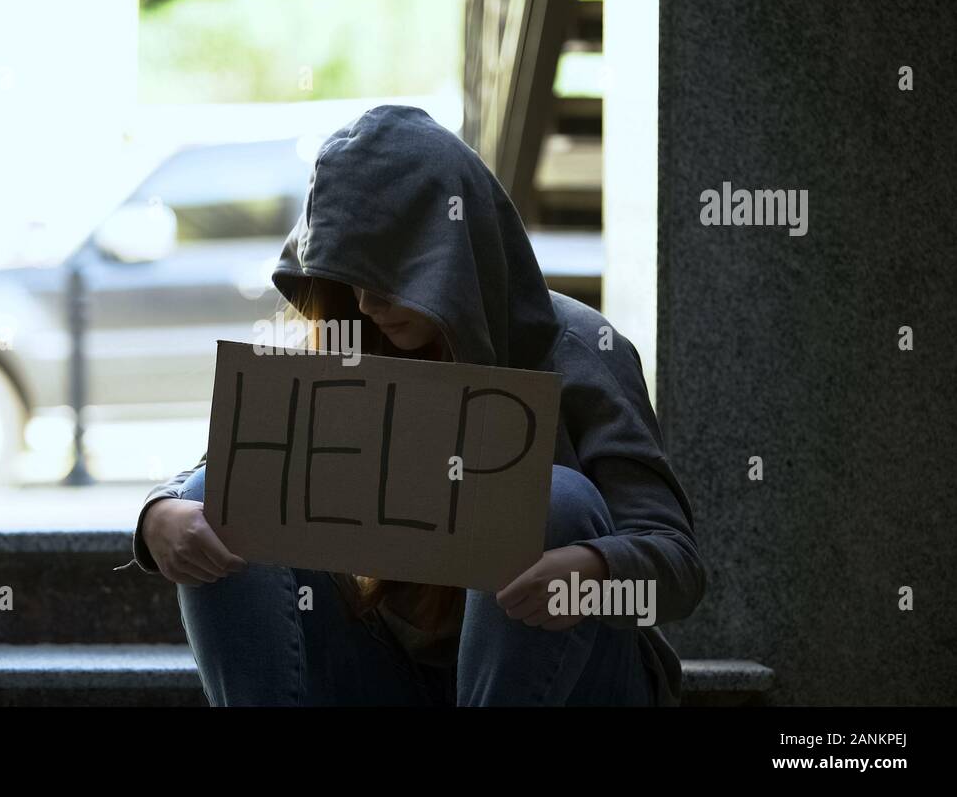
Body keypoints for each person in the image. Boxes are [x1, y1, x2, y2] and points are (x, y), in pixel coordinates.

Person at [124, 105, 706, 706]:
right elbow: (227, 473)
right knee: (213, 496)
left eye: (392, 269)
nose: (367, 301)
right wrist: (157, 516)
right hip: (394, 673)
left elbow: (680, 570)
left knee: (552, 499)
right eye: (350, 275)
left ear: (448, 252)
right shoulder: (349, 346)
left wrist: (593, 571)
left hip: (572, 676)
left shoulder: (582, 350)